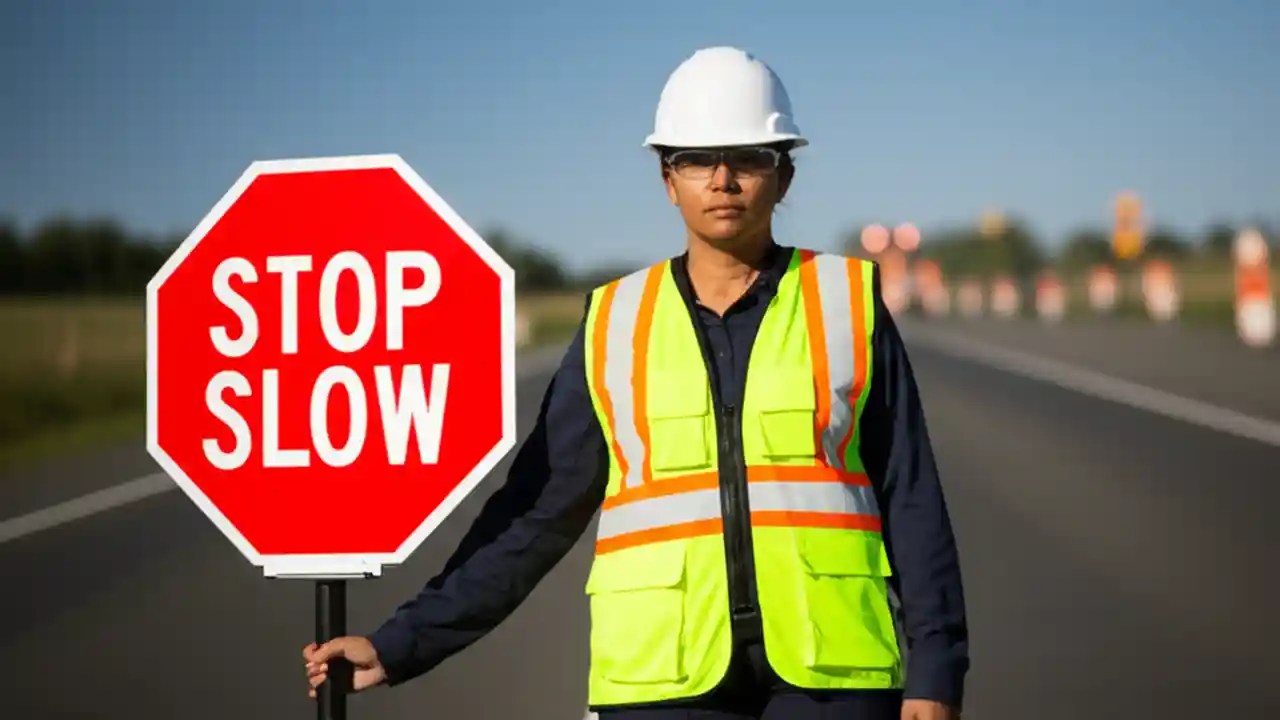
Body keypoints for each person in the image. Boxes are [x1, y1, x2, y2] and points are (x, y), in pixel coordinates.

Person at [303, 46, 969, 720]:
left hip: (833, 675)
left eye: (748, 158)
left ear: (784, 174)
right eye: (696, 160)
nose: (723, 180)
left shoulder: (844, 301)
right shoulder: (613, 322)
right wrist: (401, 644)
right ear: (666, 178)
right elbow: (535, 512)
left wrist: (936, 667)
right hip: (660, 682)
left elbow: (909, 493)